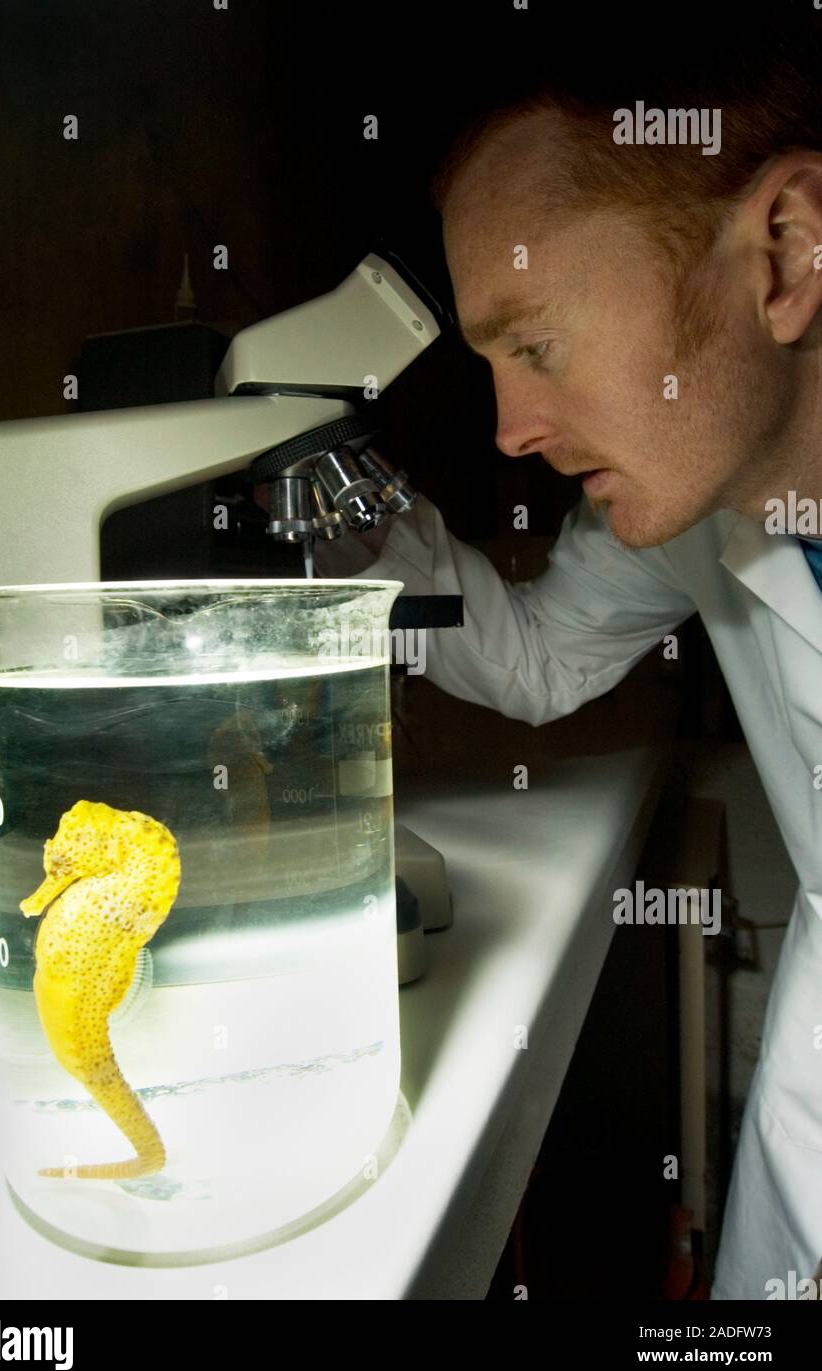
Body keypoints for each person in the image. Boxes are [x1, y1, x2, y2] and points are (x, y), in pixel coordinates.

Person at [311, 11, 822, 1299]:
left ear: (787, 249)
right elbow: (537, 657)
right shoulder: (701, 510)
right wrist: (375, 545)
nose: (510, 430)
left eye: (534, 345)